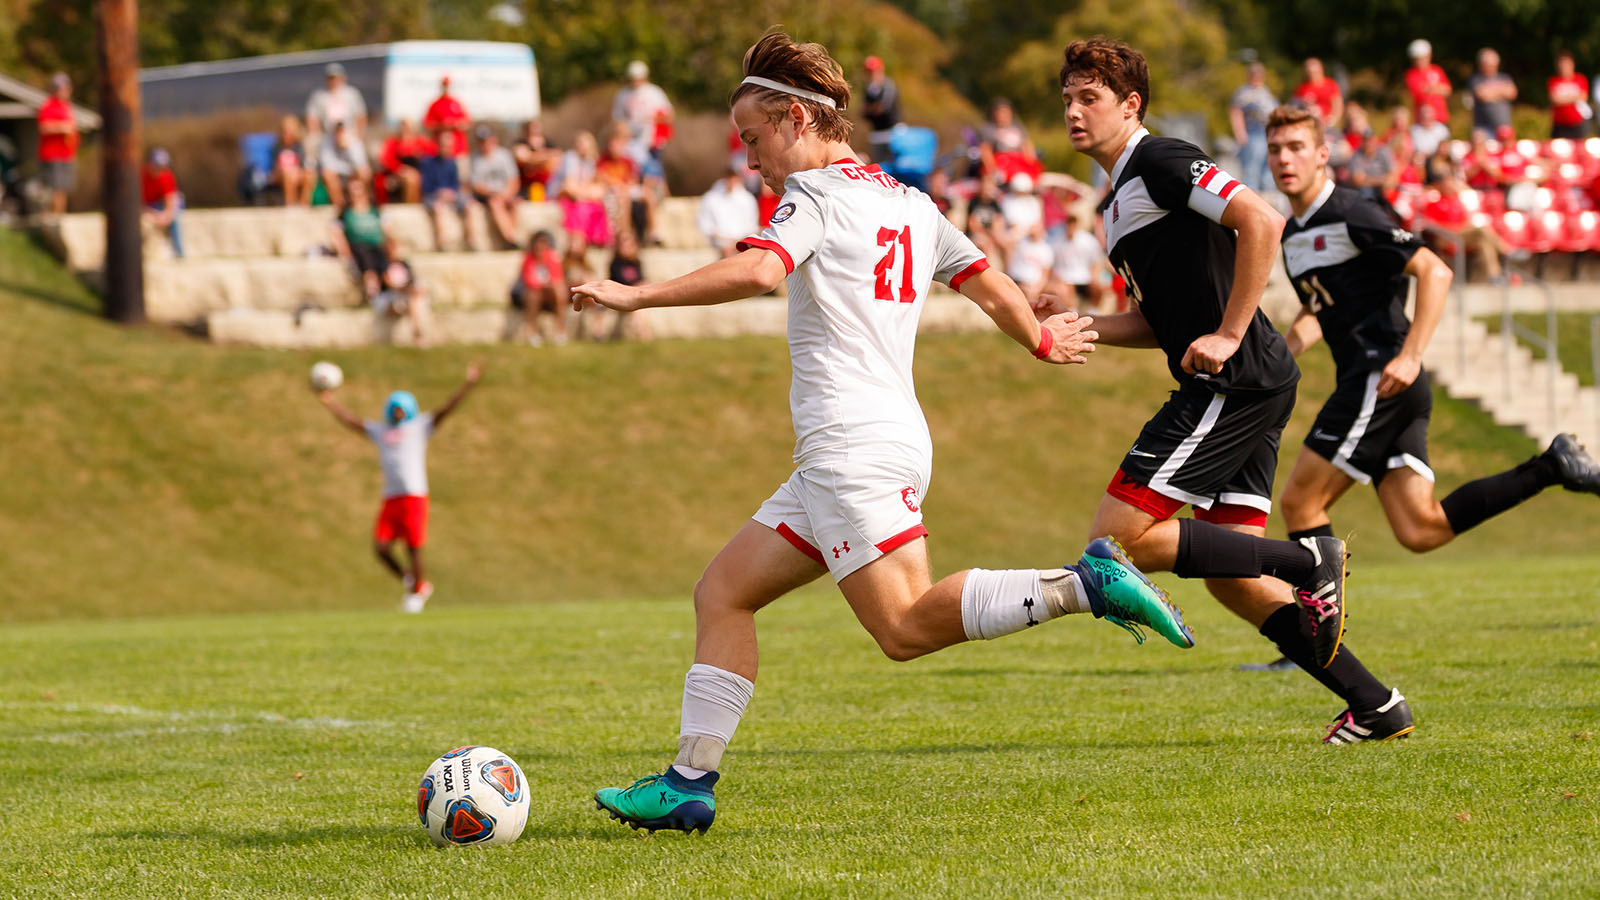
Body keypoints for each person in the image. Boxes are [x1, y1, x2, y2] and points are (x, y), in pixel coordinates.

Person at [577, 31, 1192, 835]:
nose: (752, 160)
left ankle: (1082, 584)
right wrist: (1040, 342)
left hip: (847, 446)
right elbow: (985, 279)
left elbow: (763, 271)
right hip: (881, 439)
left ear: (797, 119)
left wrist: (635, 295)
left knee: (902, 628)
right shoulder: (909, 202)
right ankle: (689, 784)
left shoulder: (814, 199)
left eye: (755, 139)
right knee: (723, 592)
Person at [1056, 37, 1411, 741]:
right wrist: (1081, 323)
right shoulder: (1115, 204)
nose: (1073, 110)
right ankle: (1375, 703)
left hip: (1234, 379)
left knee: (1119, 540)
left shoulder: (1158, 160)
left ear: (1130, 105)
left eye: (1088, 97)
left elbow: (1261, 219)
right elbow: (1164, 323)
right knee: (1234, 579)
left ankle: (1309, 558)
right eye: (1066, 98)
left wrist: (1227, 335)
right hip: (1248, 378)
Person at [1262, 105, 1600, 684]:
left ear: (1322, 154)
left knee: (1300, 504)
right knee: (1421, 530)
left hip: (1381, 378)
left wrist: (1412, 353)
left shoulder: (1353, 211)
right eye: (1276, 150)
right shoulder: (1293, 234)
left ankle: (1313, 644)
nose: (1285, 159)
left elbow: (1435, 271)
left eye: (1297, 147)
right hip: (1385, 385)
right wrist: (1275, 359)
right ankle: (1551, 466)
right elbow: (1322, 309)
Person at [316, 363, 484, 613]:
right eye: (394, 409)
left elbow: (447, 409)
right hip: (390, 498)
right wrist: (330, 403)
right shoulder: (381, 432)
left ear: (409, 410)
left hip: (414, 495)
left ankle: (417, 594)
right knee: (381, 547)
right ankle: (413, 580)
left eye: (401, 409)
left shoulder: (419, 427)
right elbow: (353, 422)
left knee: (413, 547)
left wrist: (468, 384)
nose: (397, 414)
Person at [329, 178, 390, 301]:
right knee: (366, 259)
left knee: (384, 263)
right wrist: (344, 251)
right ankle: (373, 292)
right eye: (352, 191)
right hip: (358, 248)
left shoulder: (376, 211)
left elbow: (388, 232)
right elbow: (335, 232)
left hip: (378, 247)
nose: (356, 194)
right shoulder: (345, 213)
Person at [611, 60, 674, 171]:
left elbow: (669, 116)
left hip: (652, 142)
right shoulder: (622, 94)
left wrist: (649, 120)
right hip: (630, 143)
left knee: (653, 172)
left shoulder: (654, 92)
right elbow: (618, 119)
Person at [511, 230, 568, 345]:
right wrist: (545, 285)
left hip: (549, 293)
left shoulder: (552, 257)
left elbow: (557, 278)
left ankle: (560, 330)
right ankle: (532, 331)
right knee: (533, 295)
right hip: (533, 294)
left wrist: (548, 285)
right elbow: (529, 281)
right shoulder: (528, 259)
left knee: (559, 291)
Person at [468, 125, 521, 248]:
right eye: (481, 141)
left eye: (486, 140)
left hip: (505, 193)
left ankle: (510, 238)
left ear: (493, 140)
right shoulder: (475, 158)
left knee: (515, 204)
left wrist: (507, 194)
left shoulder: (504, 155)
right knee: (495, 204)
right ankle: (510, 238)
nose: (484, 144)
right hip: (487, 196)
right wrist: (495, 194)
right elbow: (476, 185)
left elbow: (514, 180)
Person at [1229, 61, 1277, 193]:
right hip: (1253, 133)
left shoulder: (1265, 91)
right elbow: (1236, 113)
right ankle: (1252, 196)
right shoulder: (1243, 93)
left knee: (1267, 169)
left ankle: (1269, 197)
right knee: (1251, 169)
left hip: (1268, 133)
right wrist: (1240, 133)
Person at [1047, 212, 1107, 311]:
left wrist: (1094, 277)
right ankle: (1073, 313)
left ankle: (1094, 312)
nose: (1071, 226)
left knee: (1098, 287)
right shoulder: (1056, 241)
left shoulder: (1089, 241)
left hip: (1085, 277)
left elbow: (1095, 263)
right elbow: (1052, 266)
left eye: (1073, 223)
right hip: (1065, 278)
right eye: (1069, 223)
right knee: (1064, 289)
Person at [37, 73, 78, 215]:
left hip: (66, 154)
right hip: (52, 155)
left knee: (63, 189)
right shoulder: (48, 105)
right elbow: (44, 127)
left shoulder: (66, 106)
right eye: (61, 88)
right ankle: (53, 219)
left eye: (67, 88)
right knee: (54, 189)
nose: (65, 91)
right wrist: (62, 127)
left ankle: (60, 217)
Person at [697, 167, 760, 257]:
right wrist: (725, 240)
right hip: (721, 241)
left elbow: (751, 225)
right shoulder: (711, 198)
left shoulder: (747, 199)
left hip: (742, 239)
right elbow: (706, 226)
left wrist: (738, 240)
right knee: (728, 252)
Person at [318, 120, 371, 208]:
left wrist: (348, 149)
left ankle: (363, 204)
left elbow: (361, 164)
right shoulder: (326, 143)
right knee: (328, 173)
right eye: (337, 131)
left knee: (364, 172)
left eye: (342, 131)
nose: (340, 134)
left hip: (352, 174)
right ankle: (340, 206)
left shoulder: (355, 142)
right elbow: (327, 165)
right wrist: (347, 169)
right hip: (337, 175)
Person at [141, 148, 183, 258]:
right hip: (146, 207)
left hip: (159, 206)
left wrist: (166, 216)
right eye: (156, 165)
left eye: (162, 166)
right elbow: (136, 204)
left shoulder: (166, 176)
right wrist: (153, 214)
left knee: (174, 220)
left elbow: (170, 201)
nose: (159, 169)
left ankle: (179, 253)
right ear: (149, 163)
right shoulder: (140, 176)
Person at [305, 62, 368, 137]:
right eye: (330, 78)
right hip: (327, 137)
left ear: (343, 77)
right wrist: (316, 136)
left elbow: (360, 116)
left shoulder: (352, 93)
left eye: (336, 77)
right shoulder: (318, 95)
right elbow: (312, 119)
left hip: (350, 136)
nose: (333, 80)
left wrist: (358, 136)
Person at [1467, 48, 1516, 140]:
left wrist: (1491, 91)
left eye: (1491, 64)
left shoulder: (1505, 77)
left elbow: (1512, 93)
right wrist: (1501, 92)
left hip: (1504, 127)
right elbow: (1483, 95)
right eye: (1486, 64)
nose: (1489, 67)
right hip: (1483, 128)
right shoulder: (1475, 79)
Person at [377, 119, 429, 205]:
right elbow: (386, 160)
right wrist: (402, 170)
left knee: (414, 178)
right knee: (411, 179)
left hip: (418, 175)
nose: (404, 129)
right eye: (402, 126)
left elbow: (431, 156)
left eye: (407, 126)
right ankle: (410, 208)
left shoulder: (420, 142)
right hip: (396, 175)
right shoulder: (392, 142)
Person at [860, 55, 901, 163]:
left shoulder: (888, 85)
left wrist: (871, 109)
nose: (870, 75)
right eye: (868, 72)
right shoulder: (868, 88)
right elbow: (863, 112)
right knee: (880, 164)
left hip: (893, 133)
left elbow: (883, 108)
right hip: (876, 133)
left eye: (873, 71)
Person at [1405, 39, 1451, 125]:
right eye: (1417, 58)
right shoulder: (1411, 74)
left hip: (1441, 117)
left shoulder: (1437, 70)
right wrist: (1438, 88)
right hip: (1422, 119)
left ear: (1429, 56)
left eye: (1423, 57)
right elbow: (1419, 92)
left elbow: (1447, 90)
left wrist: (1429, 89)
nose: (1420, 61)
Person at [423, 76, 470, 159]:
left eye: (447, 85)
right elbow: (428, 125)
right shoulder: (435, 104)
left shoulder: (457, 103)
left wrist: (455, 124)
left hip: (457, 151)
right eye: (444, 85)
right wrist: (442, 126)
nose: (446, 88)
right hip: (439, 152)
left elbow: (467, 124)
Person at [512, 119, 560, 201]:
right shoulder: (520, 142)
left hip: (546, 188)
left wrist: (530, 162)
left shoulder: (549, 143)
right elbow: (521, 157)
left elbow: (554, 162)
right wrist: (543, 158)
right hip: (524, 188)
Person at [270, 115, 312, 206]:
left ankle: (303, 204)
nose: (287, 136)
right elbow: (274, 168)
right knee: (288, 174)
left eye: (290, 133)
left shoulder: (299, 147)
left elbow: (302, 165)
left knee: (310, 175)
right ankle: (290, 204)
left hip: (296, 174)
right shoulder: (277, 147)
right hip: (281, 175)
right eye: (285, 132)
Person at [1548, 52, 1591, 141]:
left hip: (1577, 124)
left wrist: (1563, 98)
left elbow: (1583, 96)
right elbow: (1554, 99)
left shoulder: (1580, 79)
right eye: (1562, 64)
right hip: (1559, 125)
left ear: (1572, 64)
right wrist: (1574, 97)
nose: (1564, 67)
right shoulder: (1553, 80)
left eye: (1567, 64)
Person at [1293, 57, 1344, 132]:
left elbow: (1338, 104)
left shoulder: (1330, 84)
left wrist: (1333, 119)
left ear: (1321, 69)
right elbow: (1295, 106)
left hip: (1327, 125)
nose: (1311, 73)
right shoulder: (1301, 88)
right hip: (1309, 125)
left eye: (1314, 71)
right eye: (1309, 70)